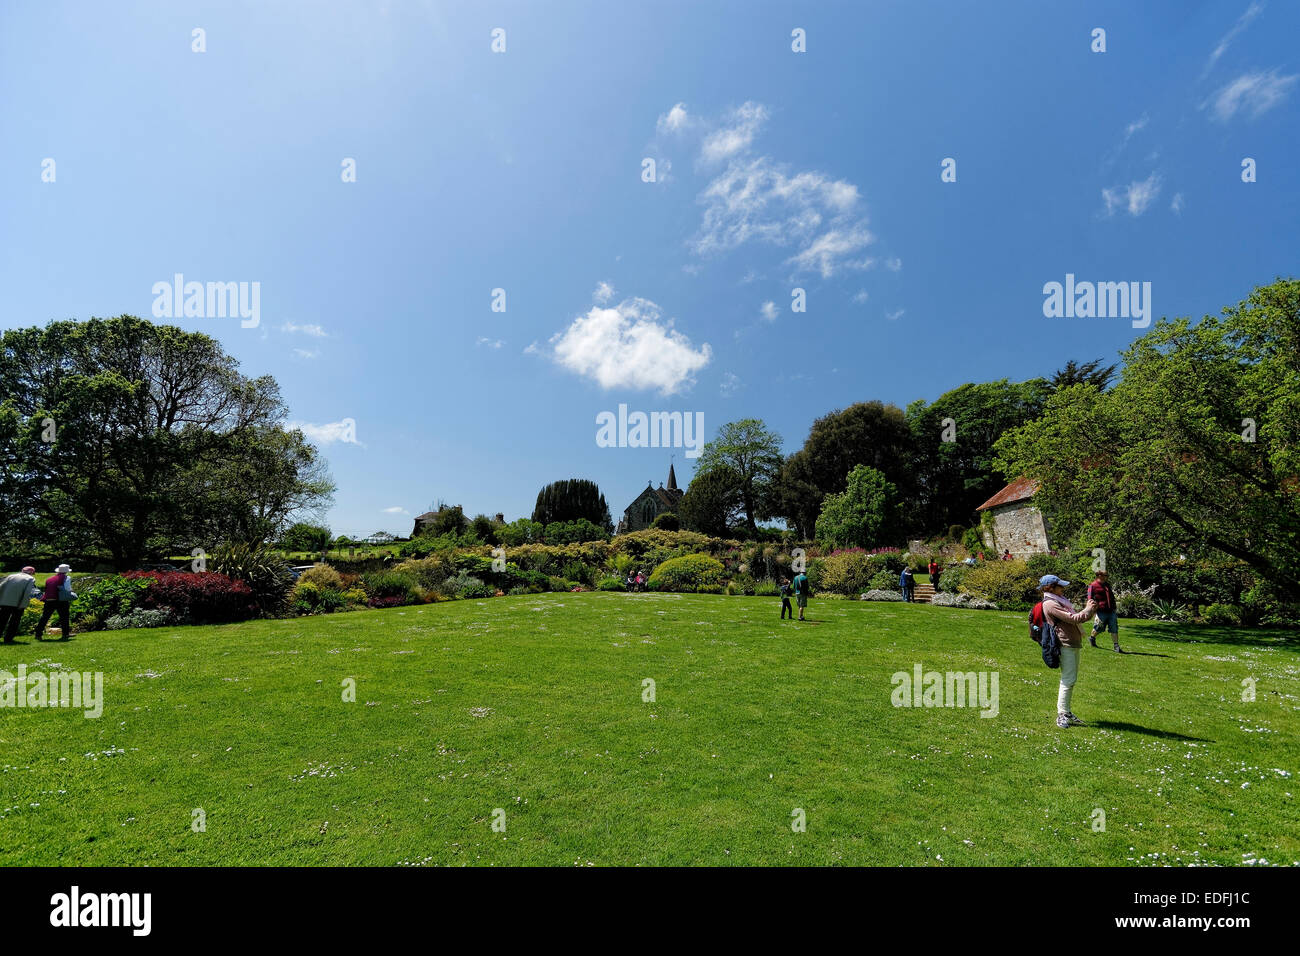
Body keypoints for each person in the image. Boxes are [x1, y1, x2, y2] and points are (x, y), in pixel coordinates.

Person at [1039, 574, 1097, 729]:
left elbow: (1077, 617)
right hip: (1065, 644)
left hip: (1072, 643)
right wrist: (1088, 609)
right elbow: (1073, 618)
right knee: (1068, 680)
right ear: (1049, 588)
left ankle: (1067, 712)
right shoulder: (1050, 604)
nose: (1063, 588)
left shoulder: (1059, 600)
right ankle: (1062, 714)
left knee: (1071, 679)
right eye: (1060, 586)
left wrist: (1089, 610)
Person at [35, 563, 76, 642]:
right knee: (64, 617)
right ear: (66, 571)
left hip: (48, 600)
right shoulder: (66, 578)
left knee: (45, 617)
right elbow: (67, 589)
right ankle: (65, 633)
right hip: (60, 599)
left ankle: (38, 634)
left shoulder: (49, 579)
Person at [0, 566, 40, 644]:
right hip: (18, 603)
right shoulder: (30, 579)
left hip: (5, 602)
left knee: (1, 620)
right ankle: (8, 638)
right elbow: (27, 592)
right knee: (14, 621)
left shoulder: (11, 576)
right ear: (31, 573)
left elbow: (1, 587)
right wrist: (23, 604)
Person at [1087, 570, 1122, 653]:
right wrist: (1092, 610)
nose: (1107, 577)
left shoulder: (1107, 585)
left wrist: (1114, 606)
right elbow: (1089, 599)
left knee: (1114, 627)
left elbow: (1111, 597)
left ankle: (1116, 646)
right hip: (1101, 611)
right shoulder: (1092, 585)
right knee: (1099, 628)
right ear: (1099, 575)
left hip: (1111, 610)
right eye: (1105, 575)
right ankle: (1092, 638)